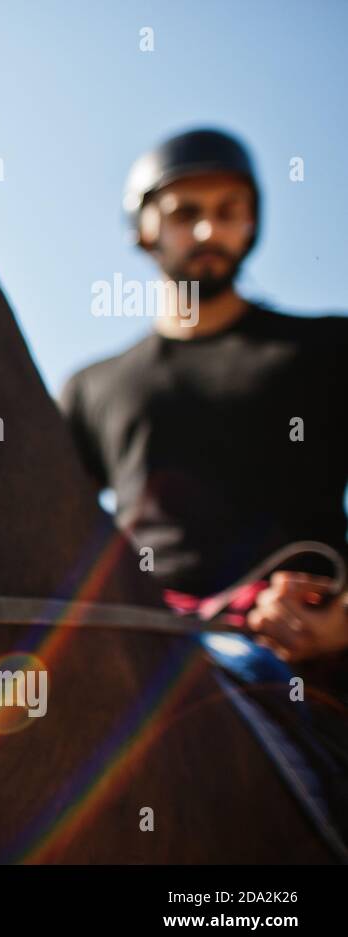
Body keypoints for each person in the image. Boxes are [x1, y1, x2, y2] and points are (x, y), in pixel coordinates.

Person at [59, 128, 348, 674]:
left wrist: (342, 617)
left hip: (310, 675)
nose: (209, 229)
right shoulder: (93, 388)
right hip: (135, 657)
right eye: (183, 212)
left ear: (253, 223)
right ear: (144, 230)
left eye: (229, 210)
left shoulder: (329, 350)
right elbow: (38, 529)